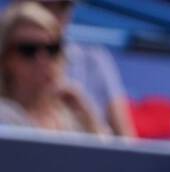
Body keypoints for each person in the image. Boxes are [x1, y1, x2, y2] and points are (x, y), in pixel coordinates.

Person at [31, 0, 134, 136]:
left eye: (63, 6)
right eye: (44, 5)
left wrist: (89, 121)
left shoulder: (94, 57)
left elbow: (126, 140)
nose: (53, 15)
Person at [0, 1, 103, 132]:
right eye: (28, 50)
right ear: (5, 58)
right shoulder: (4, 115)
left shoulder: (74, 112)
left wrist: (89, 120)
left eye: (52, 49)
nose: (43, 60)